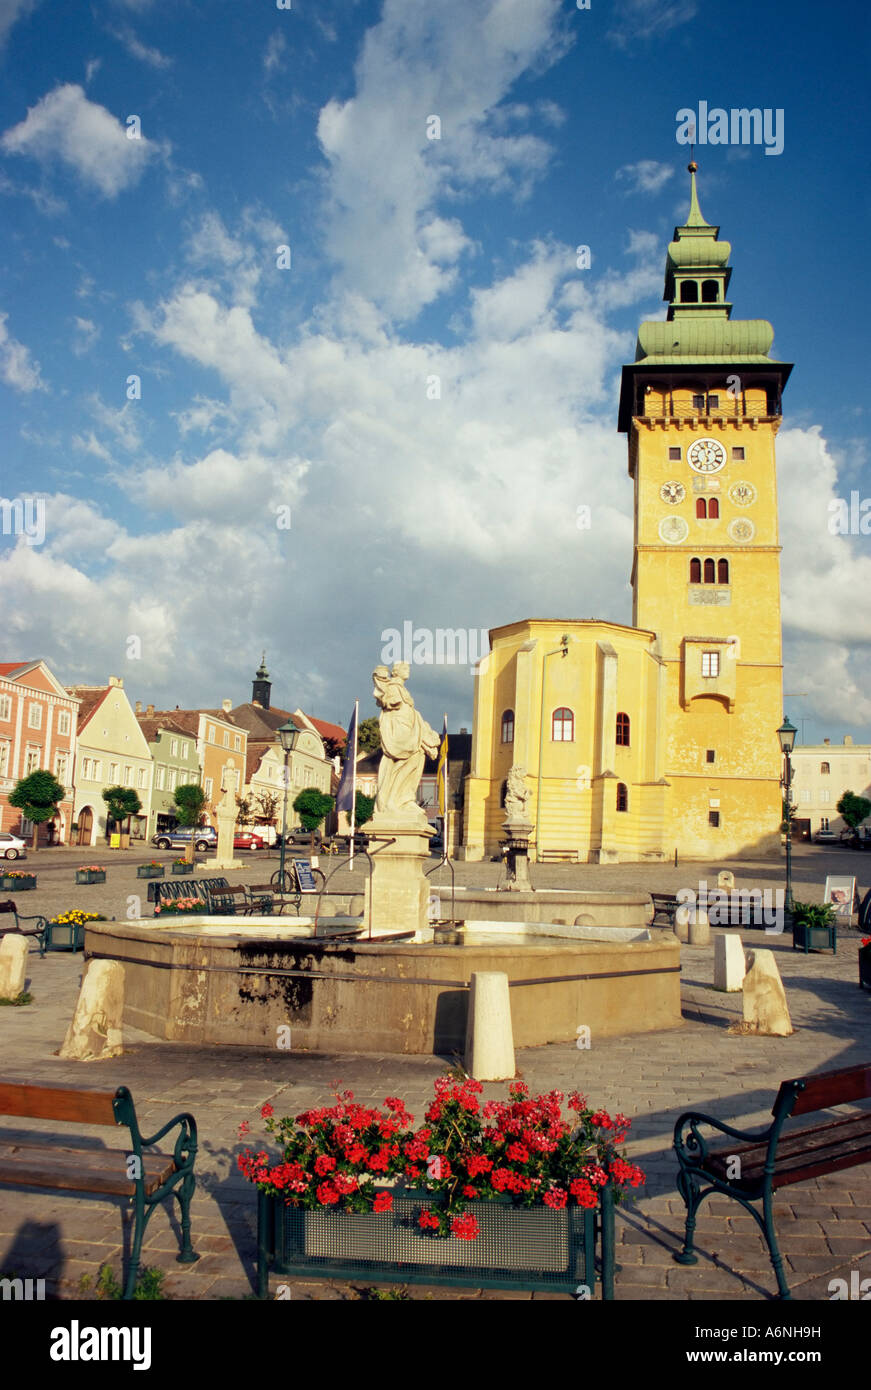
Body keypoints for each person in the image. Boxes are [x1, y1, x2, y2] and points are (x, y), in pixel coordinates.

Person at [372, 662, 439, 815]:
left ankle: (405, 799)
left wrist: (427, 740)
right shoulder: (393, 687)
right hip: (399, 731)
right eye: (405, 668)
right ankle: (392, 800)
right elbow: (384, 698)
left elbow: (413, 713)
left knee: (417, 758)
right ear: (396, 671)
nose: (408, 670)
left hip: (409, 729)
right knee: (409, 759)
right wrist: (379, 676)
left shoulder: (401, 689)